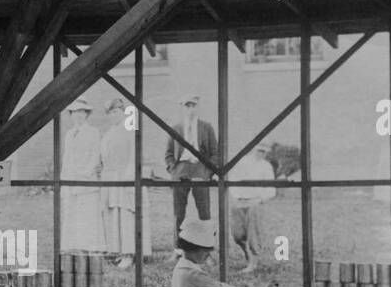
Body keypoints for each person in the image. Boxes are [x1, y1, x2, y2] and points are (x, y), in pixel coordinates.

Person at [99, 97, 152, 268]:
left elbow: (134, 157)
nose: (113, 116)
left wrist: (129, 178)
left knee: (127, 215)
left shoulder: (130, 130)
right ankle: (117, 250)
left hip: (127, 178)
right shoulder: (109, 133)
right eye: (110, 113)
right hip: (111, 178)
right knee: (114, 214)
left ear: (122, 112)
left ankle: (130, 253)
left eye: (116, 112)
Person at [164, 94, 218, 230]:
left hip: (200, 169)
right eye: (187, 106)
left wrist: (209, 171)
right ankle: (178, 247)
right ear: (182, 108)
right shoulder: (175, 128)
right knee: (179, 212)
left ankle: (206, 246)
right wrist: (173, 169)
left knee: (204, 211)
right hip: (181, 170)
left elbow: (215, 152)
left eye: (193, 106)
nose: (190, 109)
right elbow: (169, 153)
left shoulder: (206, 127)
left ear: (198, 108)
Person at [60, 97, 105, 253]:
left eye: (82, 112)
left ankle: (90, 247)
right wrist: (65, 178)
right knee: (71, 213)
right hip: (70, 180)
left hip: (87, 179)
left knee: (88, 214)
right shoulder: (69, 134)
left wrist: (84, 173)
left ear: (86, 114)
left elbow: (95, 156)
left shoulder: (93, 132)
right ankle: (73, 246)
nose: (78, 115)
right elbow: (66, 158)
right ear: (71, 114)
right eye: (75, 112)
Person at [229, 150, 277, 273]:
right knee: (237, 235)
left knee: (253, 234)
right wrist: (235, 196)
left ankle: (253, 262)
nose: (262, 153)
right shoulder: (241, 162)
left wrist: (260, 199)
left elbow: (271, 188)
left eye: (264, 150)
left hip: (254, 202)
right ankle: (247, 254)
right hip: (239, 201)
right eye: (259, 149)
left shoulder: (266, 166)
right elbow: (232, 179)